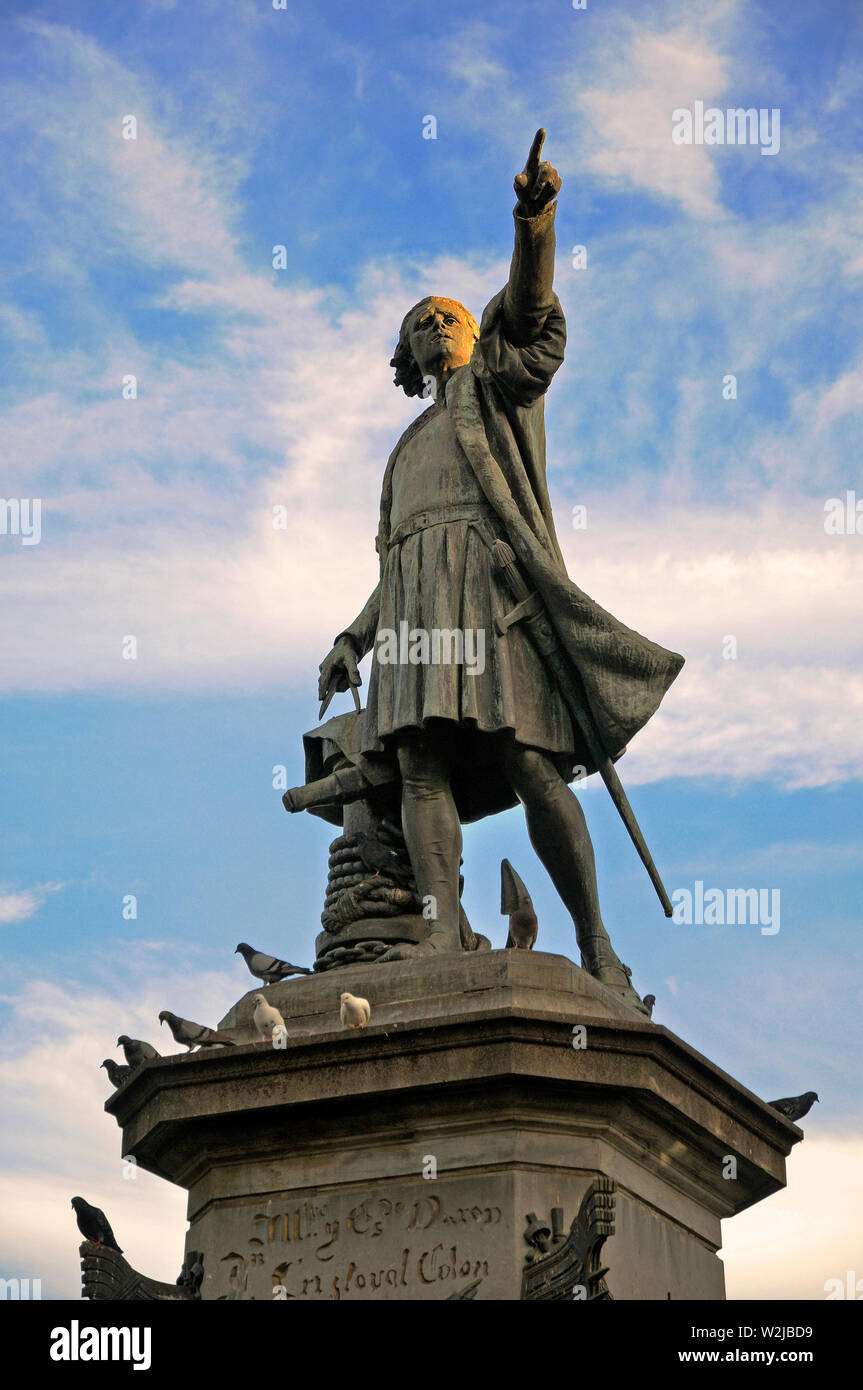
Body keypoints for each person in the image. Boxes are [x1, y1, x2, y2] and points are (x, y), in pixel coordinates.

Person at [317, 131, 683, 1009]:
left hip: (491, 599)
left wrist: (533, 222)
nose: (434, 326)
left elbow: (529, 309)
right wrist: (353, 637)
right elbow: (397, 558)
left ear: (474, 337)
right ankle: (442, 930)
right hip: (413, 610)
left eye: (447, 317)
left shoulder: (497, 390)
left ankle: (598, 948)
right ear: (405, 361)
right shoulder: (404, 451)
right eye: (418, 325)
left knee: (528, 761)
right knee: (418, 769)